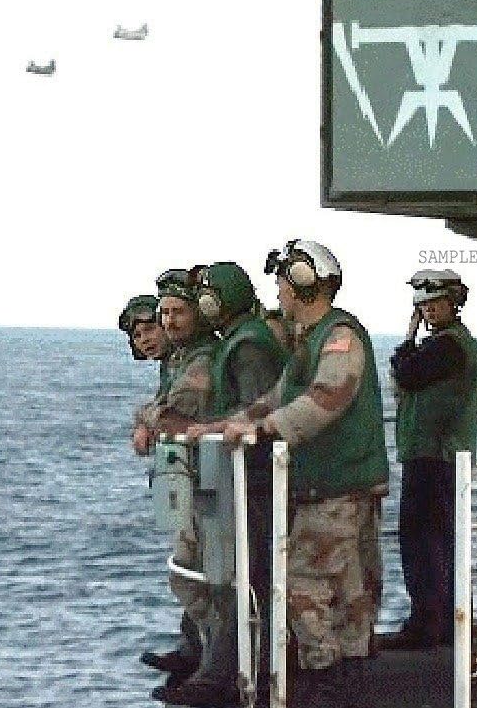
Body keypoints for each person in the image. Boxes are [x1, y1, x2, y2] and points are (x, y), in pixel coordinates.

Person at [198, 239, 387, 708]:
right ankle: (348, 676)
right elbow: (279, 397)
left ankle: (326, 677)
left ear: (304, 283)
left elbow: (328, 398)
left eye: (283, 281)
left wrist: (264, 431)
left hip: (340, 487)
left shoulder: (339, 336)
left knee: (303, 584)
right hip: (329, 485)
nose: (278, 291)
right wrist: (229, 424)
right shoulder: (310, 340)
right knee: (347, 588)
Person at [161, 262, 289, 708]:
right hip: (239, 476)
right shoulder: (240, 341)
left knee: (238, 576)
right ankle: (218, 664)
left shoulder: (249, 346)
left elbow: (254, 410)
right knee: (229, 574)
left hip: (248, 477)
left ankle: (225, 672)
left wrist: (212, 432)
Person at [383, 269, 477, 649]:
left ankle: (430, 624)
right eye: (423, 306)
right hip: (437, 455)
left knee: (423, 539)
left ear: (453, 303)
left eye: (434, 304)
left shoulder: (448, 346)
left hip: (435, 456)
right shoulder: (449, 345)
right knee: (436, 540)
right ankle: (440, 618)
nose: (428, 311)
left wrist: (408, 337)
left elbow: (406, 374)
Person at [134, 270, 220, 702]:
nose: (167, 323)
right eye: (162, 313)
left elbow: (176, 411)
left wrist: (146, 418)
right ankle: (195, 653)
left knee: (201, 574)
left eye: (176, 312)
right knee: (191, 570)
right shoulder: (181, 360)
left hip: (210, 481)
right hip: (191, 479)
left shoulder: (202, 358)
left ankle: (211, 662)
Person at [120, 294, 172, 457]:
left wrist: (143, 418)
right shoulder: (169, 365)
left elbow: (173, 414)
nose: (144, 340)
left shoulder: (188, 360)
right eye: (137, 335)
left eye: (149, 329)